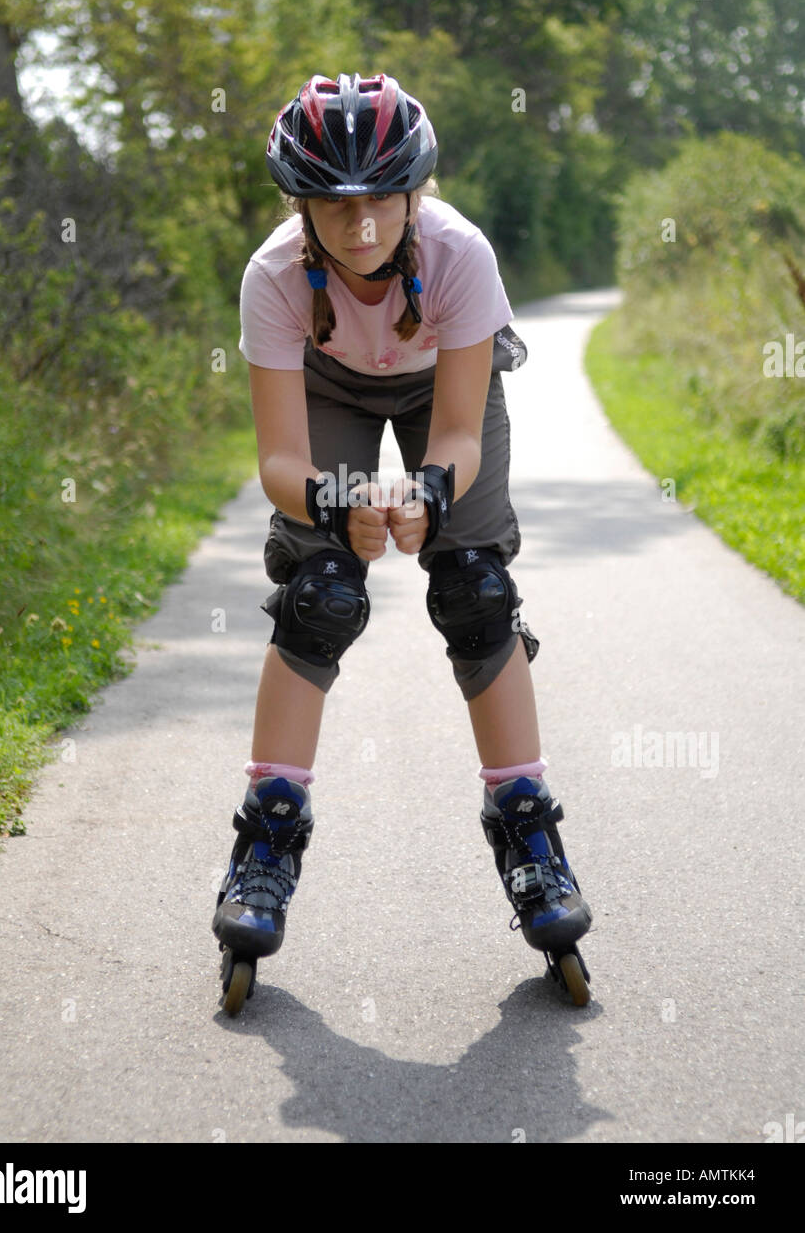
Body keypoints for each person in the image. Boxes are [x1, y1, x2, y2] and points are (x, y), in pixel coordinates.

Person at [212, 72, 592, 1013]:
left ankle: (529, 832)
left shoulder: (459, 256)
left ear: (415, 191)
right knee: (321, 592)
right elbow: (279, 459)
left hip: (438, 393)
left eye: (382, 197)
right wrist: (338, 509)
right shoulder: (274, 277)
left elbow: (459, 434)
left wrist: (427, 490)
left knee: (474, 588)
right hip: (326, 385)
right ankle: (266, 838)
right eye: (335, 204)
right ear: (301, 203)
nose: (362, 225)